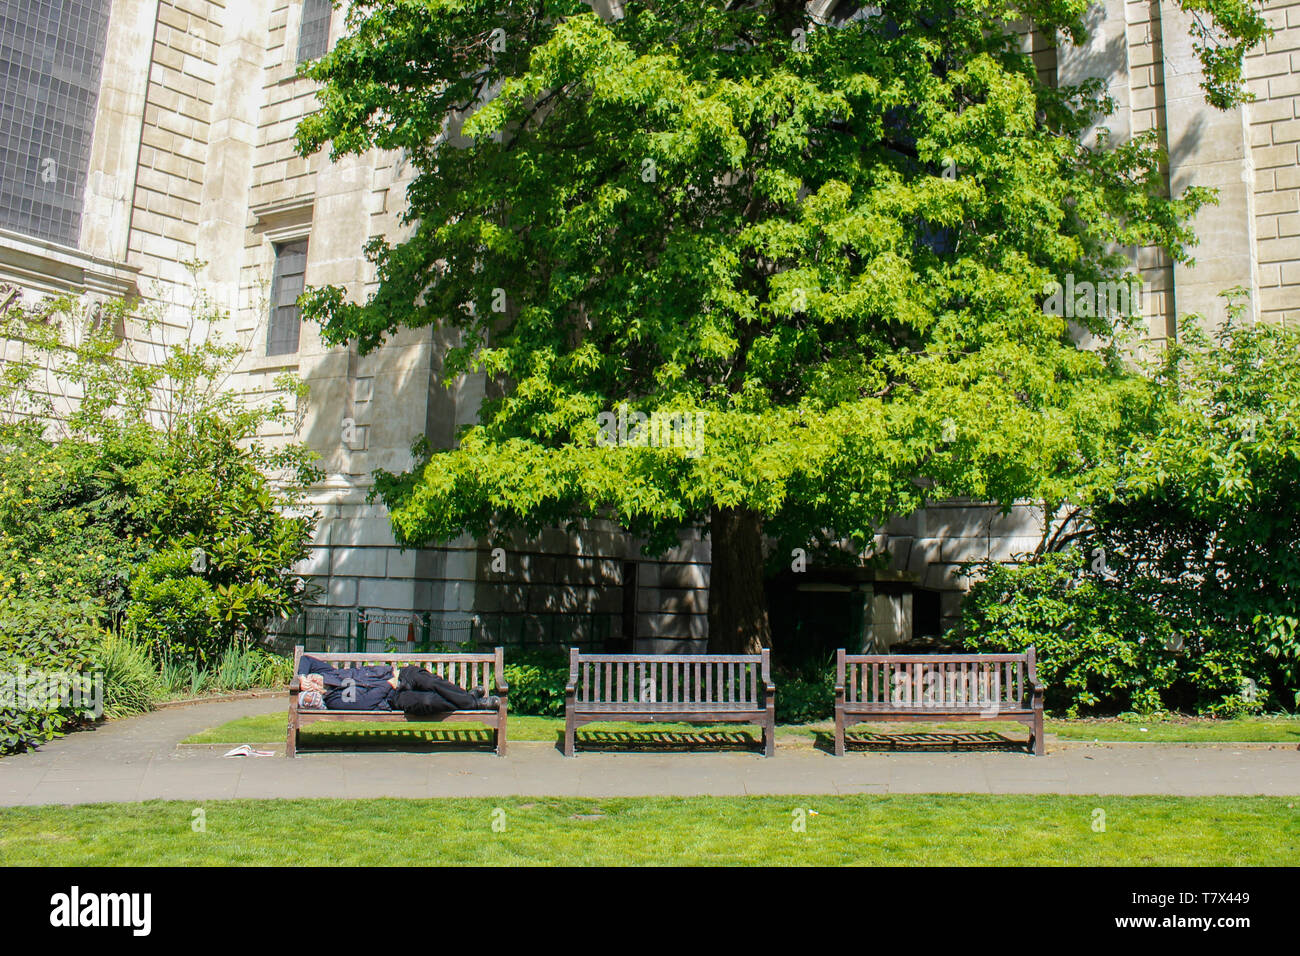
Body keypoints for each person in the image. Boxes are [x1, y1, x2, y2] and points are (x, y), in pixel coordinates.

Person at [296, 654, 501, 715]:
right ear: (317, 694)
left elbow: (305, 659)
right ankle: (472, 701)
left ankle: (473, 701)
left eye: (312, 679)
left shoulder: (327, 672)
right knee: (429, 702)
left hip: (399, 674)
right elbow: (366, 702)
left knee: (428, 680)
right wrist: (389, 684)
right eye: (312, 685)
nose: (314, 681)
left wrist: (302, 677)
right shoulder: (336, 700)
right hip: (393, 697)